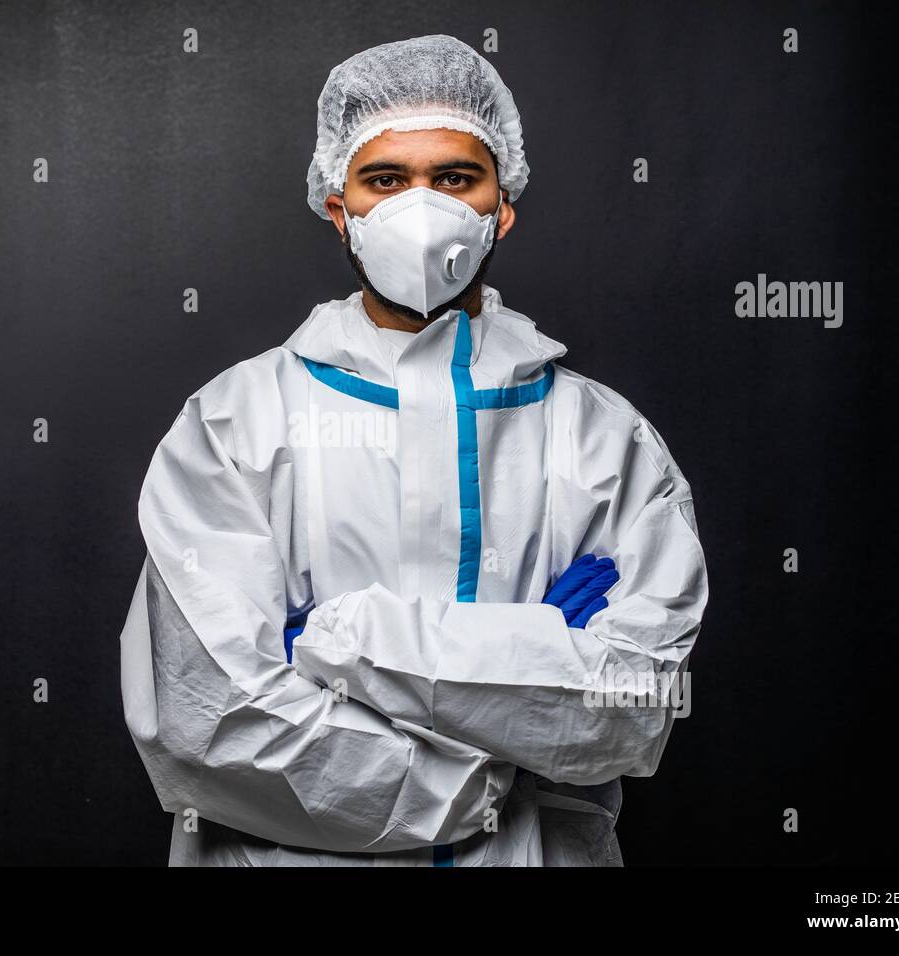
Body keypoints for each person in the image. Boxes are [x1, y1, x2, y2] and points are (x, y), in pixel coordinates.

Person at [119, 34, 708, 866]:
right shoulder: (235, 424)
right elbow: (208, 719)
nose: (421, 208)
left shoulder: (604, 439)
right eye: (386, 180)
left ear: (502, 203)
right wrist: (525, 681)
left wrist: (334, 641)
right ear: (339, 205)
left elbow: (636, 701)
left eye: (456, 178)